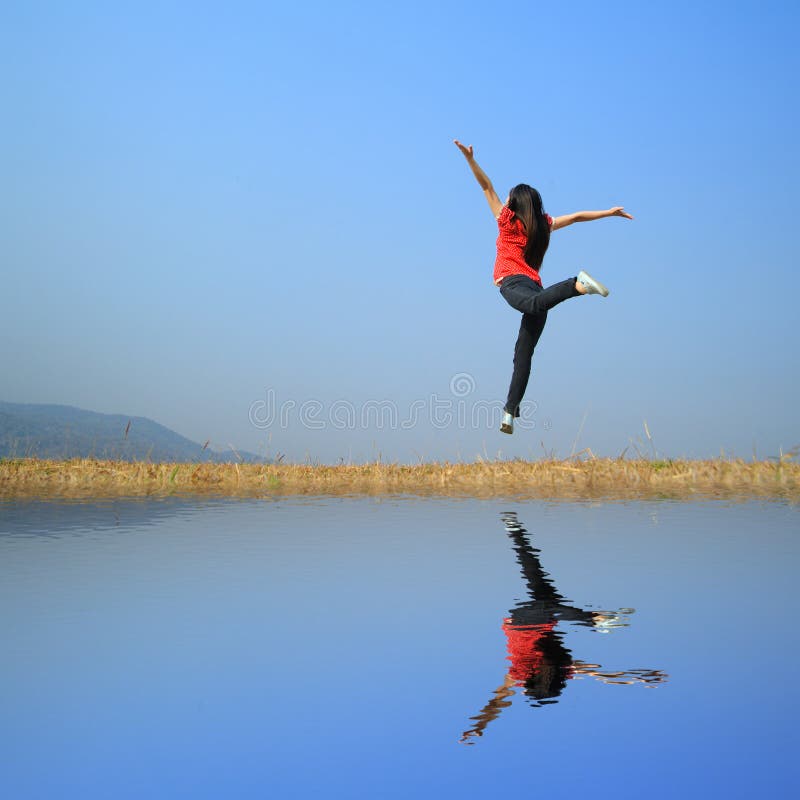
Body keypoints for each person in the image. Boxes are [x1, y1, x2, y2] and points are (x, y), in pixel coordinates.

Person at [454, 140, 634, 434]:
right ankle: (509, 413)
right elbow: (575, 217)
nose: (507, 200)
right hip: (537, 289)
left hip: (514, 282)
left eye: (511, 197)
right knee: (522, 355)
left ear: (516, 202)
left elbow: (486, 186)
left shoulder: (508, 220)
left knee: (534, 306)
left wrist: (470, 160)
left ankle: (576, 285)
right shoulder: (541, 223)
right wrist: (609, 212)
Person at [460, 512, 666, 744]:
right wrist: (639, 677)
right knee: (536, 575)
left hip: (523, 623)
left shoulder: (521, 674)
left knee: (551, 606)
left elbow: (497, 702)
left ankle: (594, 620)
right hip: (544, 618)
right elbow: (605, 676)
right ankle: (514, 529)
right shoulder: (562, 669)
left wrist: (480, 724)